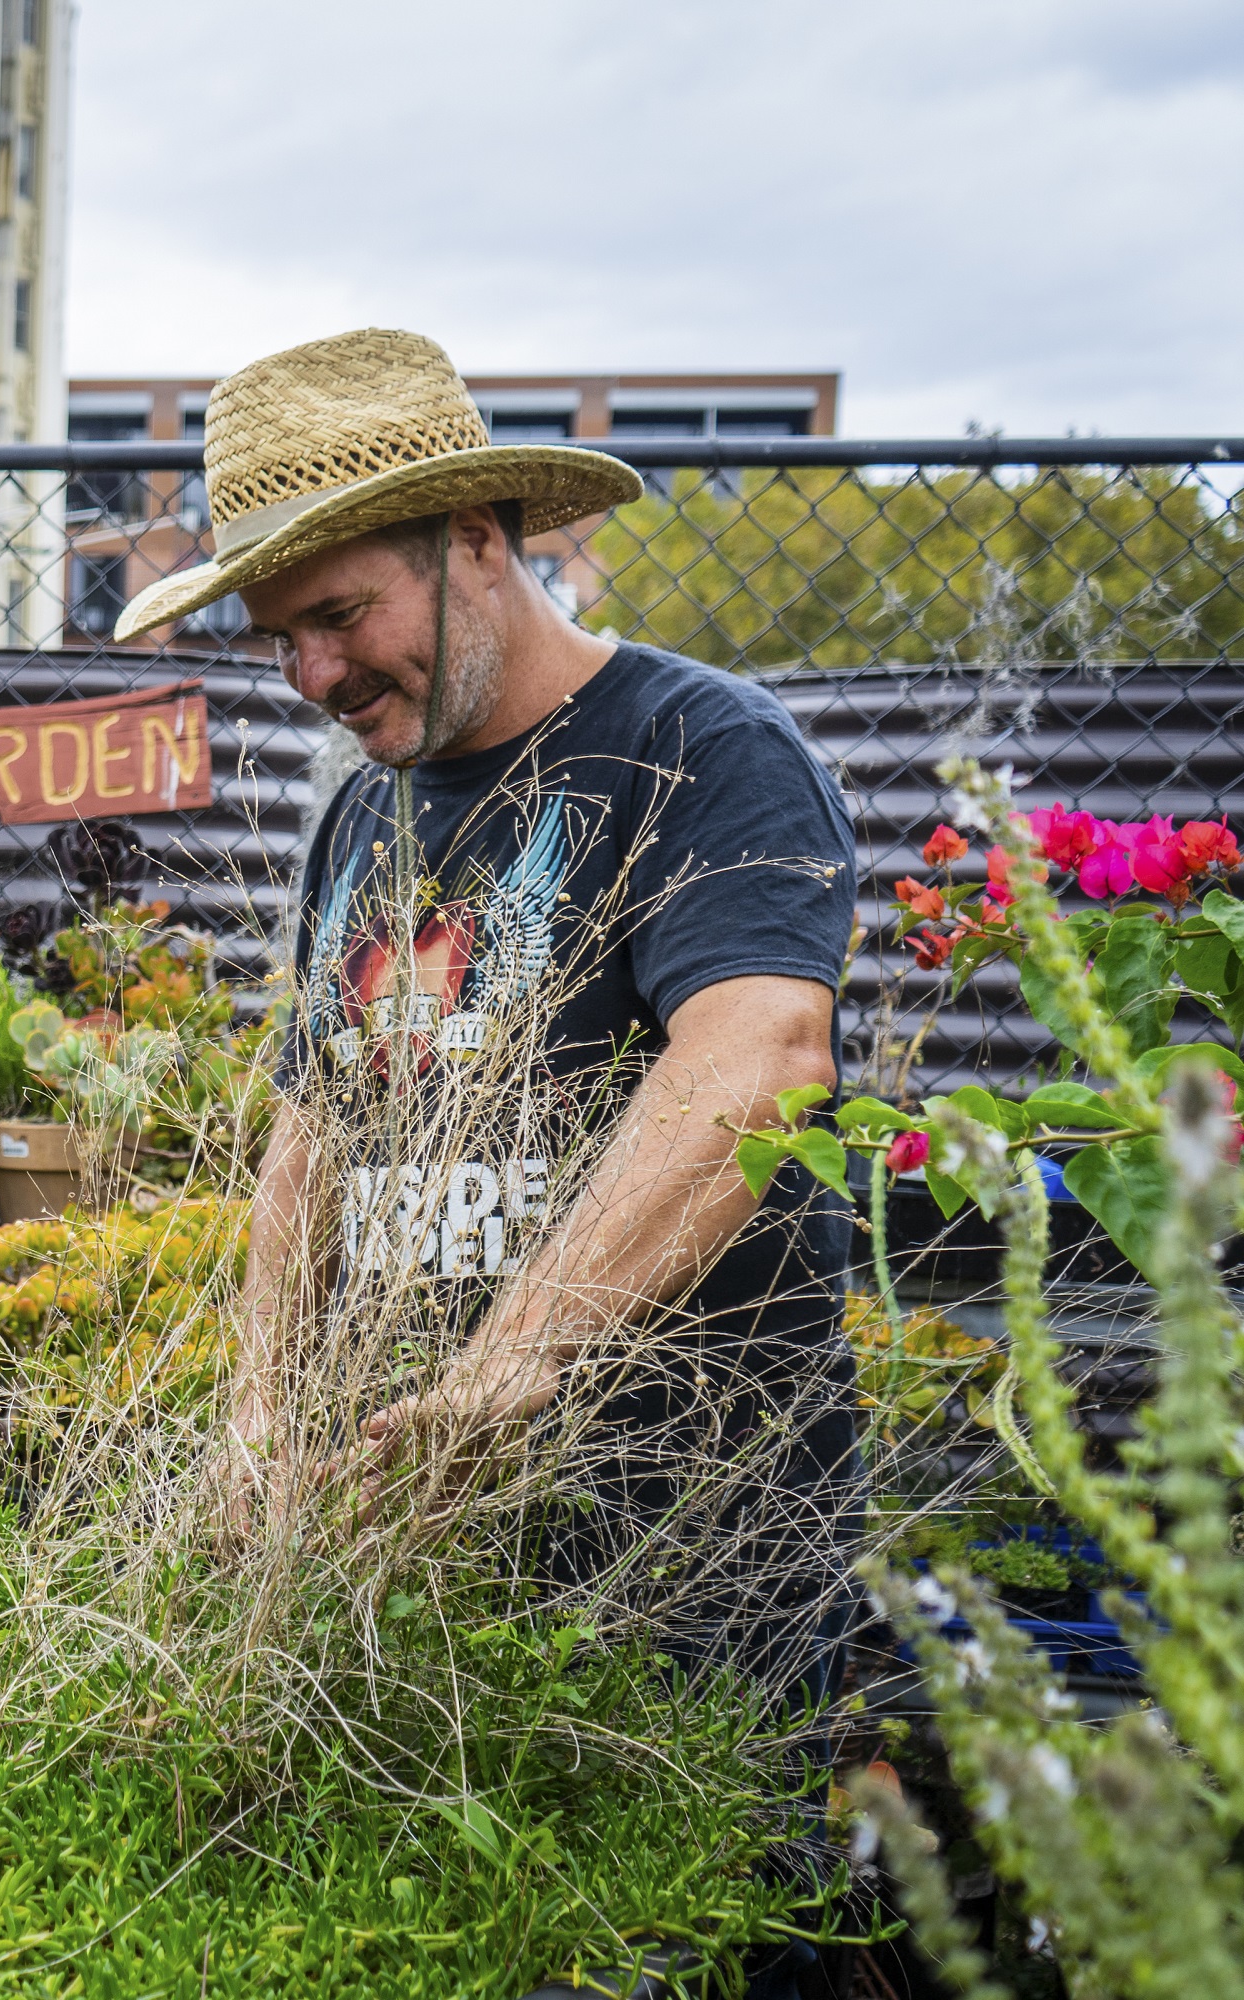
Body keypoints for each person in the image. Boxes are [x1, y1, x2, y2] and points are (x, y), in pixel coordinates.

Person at [123, 329, 861, 1699]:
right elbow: (315, 1123)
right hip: (424, 1552)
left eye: (341, 617)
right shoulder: (364, 809)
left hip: (688, 1535)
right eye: (280, 638)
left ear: (472, 538)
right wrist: (259, 1414)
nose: (313, 676)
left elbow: (759, 1064)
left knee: (700, 1904)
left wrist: (505, 1375)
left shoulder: (707, 752)